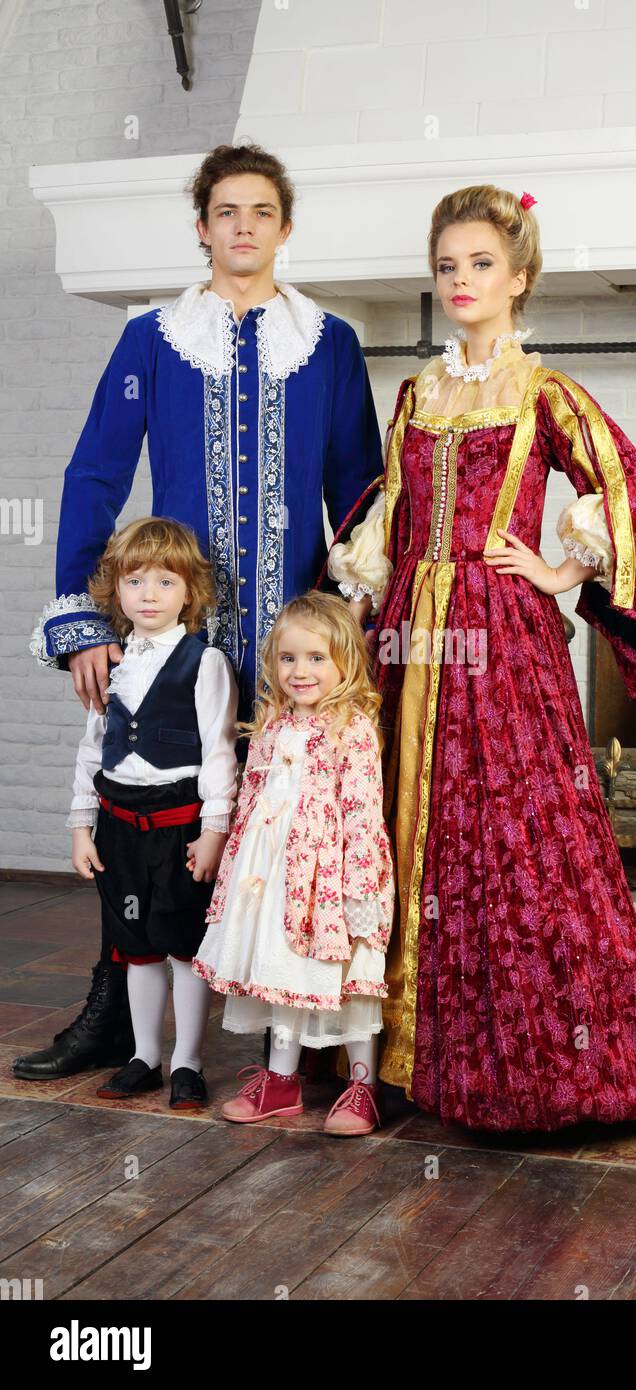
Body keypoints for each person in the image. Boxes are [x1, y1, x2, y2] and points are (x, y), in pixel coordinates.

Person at [325, 185, 636, 1132]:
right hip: (412, 638)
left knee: (513, 827)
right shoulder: (417, 394)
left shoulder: (545, 393)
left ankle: (542, 1069)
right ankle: (406, 1063)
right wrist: (366, 601)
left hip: (502, 635)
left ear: (521, 277)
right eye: (448, 266)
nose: (462, 281)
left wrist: (555, 568)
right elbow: (394, 519)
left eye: (481, 265)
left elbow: (631, 493)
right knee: (410, 821)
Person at [18, 142, 382, 1081]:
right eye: (227, 211)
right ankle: (117, 1014)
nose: (245, 227)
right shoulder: (153, 338)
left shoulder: (330, 343)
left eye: (262, 211)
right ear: (203, 227)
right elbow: (96, 471)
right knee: (145, 826)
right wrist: (86, 618)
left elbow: (359, 489)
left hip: (292, 651)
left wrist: (357, 619)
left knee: (290, 835)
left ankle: (293, 1041)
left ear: (285, 227)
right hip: (171, 640)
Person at [193, 591, 395, 1136]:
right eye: (288, 659)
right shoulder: (272, 726)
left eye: (315, 658)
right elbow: (252, 798)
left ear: (345, 662)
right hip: (274, 875)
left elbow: (361, 811)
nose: (300, 671)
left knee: (348, 978)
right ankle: (280, 1081)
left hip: (331, 875)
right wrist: (236, 867)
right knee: (283, 971)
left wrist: (360, 890)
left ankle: (362, 1086)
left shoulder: (350, 728)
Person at [65, 517, 238, 1109]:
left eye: (166, 582)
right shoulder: (108, 663)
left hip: (178, 826)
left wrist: (214, 832)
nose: (149, 595)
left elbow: (218, 751)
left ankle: (188, 1061)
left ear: (190, 592)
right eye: (135, 581)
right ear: (116, 591)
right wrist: (82, 828)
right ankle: (146, 1054)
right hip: (119, 826)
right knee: (134, 944)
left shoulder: (203, 662)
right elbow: (93, 749)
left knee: (183, 944)